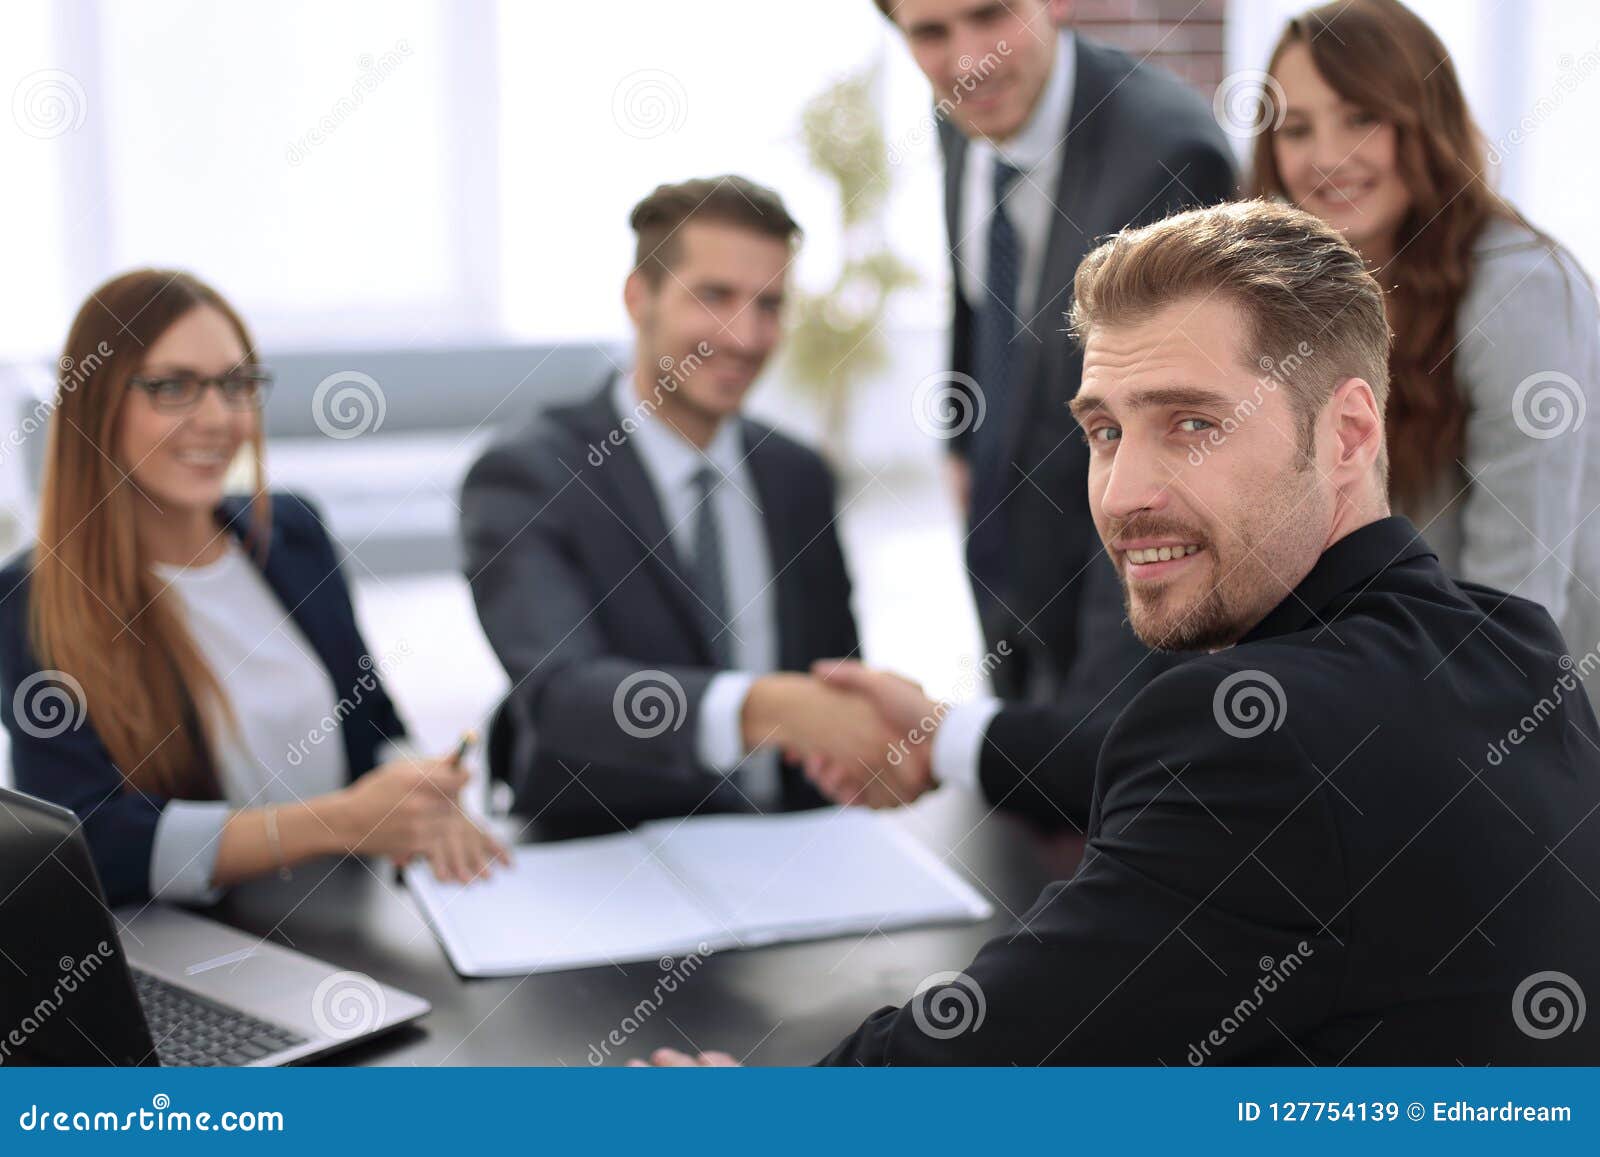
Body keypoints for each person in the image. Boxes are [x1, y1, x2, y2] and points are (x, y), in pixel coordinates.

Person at [638, 201, 1600, 1066]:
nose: (1125, 494)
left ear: (1347, 433)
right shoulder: (1510, 645)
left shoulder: (1261, 737)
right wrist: (945, 732)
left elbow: (976, 1065)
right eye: (1105, 431)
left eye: (1191, 424)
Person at [0, 271, 506, 909]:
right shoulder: (29, 600)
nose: (217, 418)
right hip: (191, 953)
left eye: (236, 385)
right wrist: (340, 822)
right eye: (174, 387)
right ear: (98, 403)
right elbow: (87, 844)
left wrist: (417, 797)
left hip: (345, 919)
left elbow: (371, 718)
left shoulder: (290, 532)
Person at [858, 0, 1240, 825]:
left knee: (1102, 808)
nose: (966, 60)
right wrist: (961, 443)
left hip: (1120, 563)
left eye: (988, 15)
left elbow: (1178, 454)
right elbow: (973, 289)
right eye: (930, 34)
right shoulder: (967, 113)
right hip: (1005, 550)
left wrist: (1088, 731)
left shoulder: (1170, 155)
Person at [461, 177, 908, 834]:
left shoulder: (798, 475)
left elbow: (833, 679)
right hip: (605, 858)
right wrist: (762, 708)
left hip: (795, 852)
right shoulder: (528, 475)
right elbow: (561, 695)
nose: (747, 336)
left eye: (769, 305)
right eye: (716, 296)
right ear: (638, 297)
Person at [1250, 0, 1600, 698]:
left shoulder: (1518, 286)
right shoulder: (1304, 290)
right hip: (1384, 678)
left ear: (1422, 121)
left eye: (1360, 118)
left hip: (1519, 707)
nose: (1326, 158)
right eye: (1296, 129)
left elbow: (1517, 599)